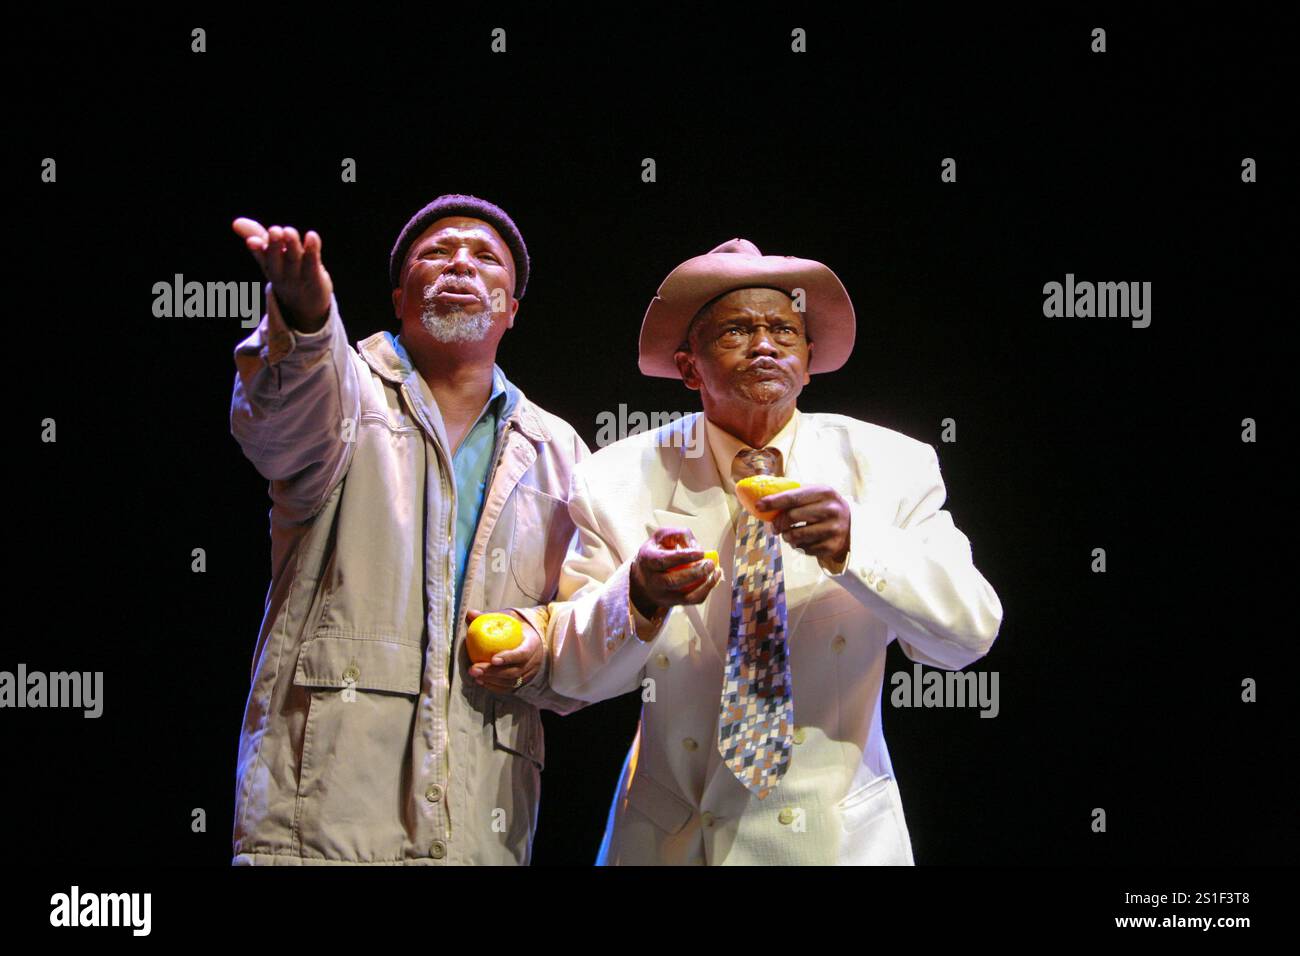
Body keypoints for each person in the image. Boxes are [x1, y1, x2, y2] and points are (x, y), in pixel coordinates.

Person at [505, 237, 1004, 864]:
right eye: (736, 331)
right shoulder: (618, 477)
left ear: (809, 358)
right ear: (689, 367)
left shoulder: (892, 465)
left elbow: (969, 635)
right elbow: (574, 675)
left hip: (836, 838)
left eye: (783, 331)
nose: (765, 344)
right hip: (668, 838)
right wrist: (638, 595)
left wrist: (858, 545)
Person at [228, 194, 587, 865]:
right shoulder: (345, 390)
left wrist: (544, 651)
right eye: (437, 252)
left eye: (485, 257)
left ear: (511, 309)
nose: (461, 263)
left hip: (480, 826)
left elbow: (584, 643)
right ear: (400, 298)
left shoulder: (558, 450)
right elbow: (277, 430)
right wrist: (306, 321)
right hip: (320, 819)